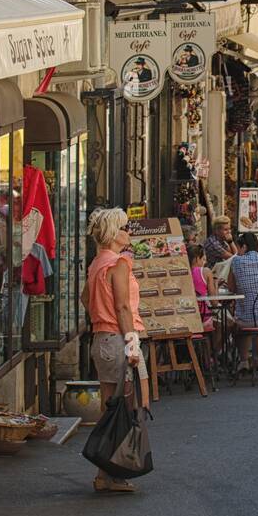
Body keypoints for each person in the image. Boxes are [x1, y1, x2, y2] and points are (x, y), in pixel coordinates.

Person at [81, 208, 147, 494]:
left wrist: (99, 315)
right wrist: (131, 343)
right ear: (112, 233)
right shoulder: (119, 263)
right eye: (124, 227)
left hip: (102, 339)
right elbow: (122, 307)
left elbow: (85, 298)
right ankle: (115, 471)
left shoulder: (98, 263)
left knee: (111, 409)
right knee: (128, 407)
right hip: (120, 339)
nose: (128, 232)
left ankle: (104, 472)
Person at [226, 232, 258, 371]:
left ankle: (243, 361)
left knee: (238, 324)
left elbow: (231, 288)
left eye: (238, 248)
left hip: (248, 320)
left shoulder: (236, 261)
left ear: (244, 247)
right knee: (257, 312)